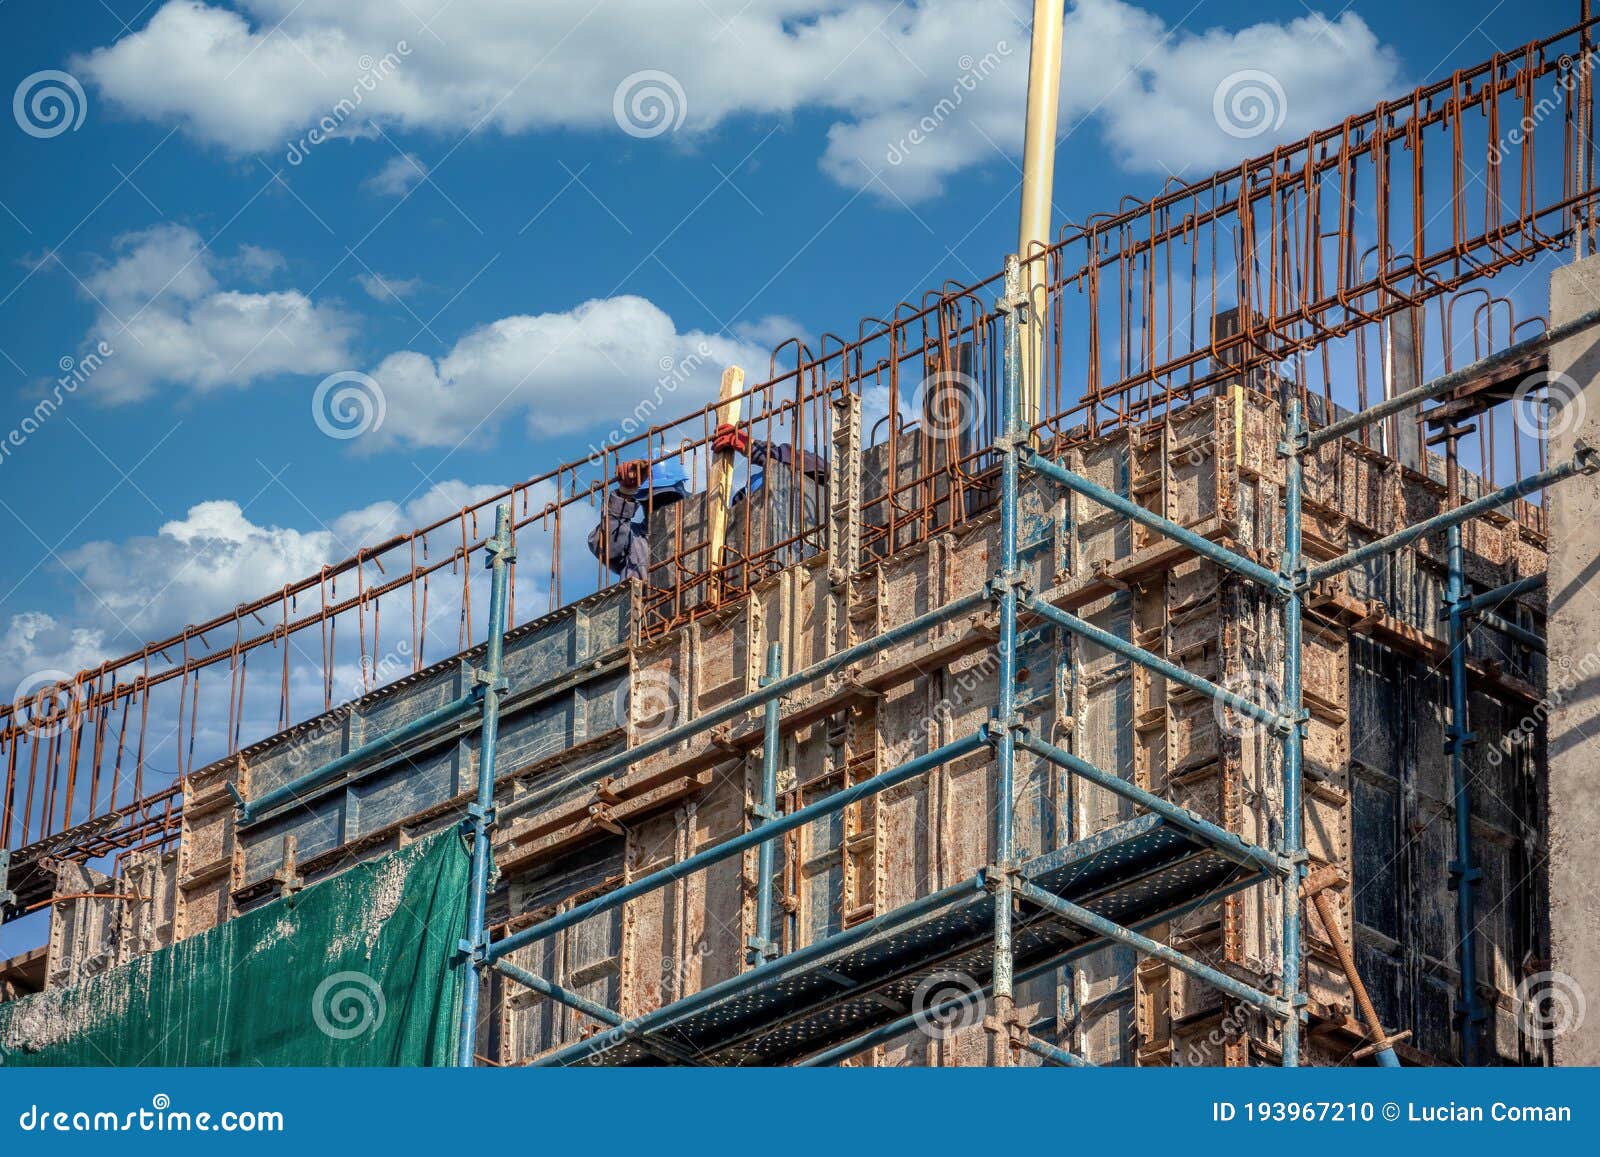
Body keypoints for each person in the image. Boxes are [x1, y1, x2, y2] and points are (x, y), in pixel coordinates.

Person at [587, 458, 690, 582]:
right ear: (643, 503)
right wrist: (626, 491)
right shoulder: (634, 539)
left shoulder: (699, 530)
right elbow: (607, 549)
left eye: (668, 499)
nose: (663, 508)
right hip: (647, 601)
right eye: (656, 501)